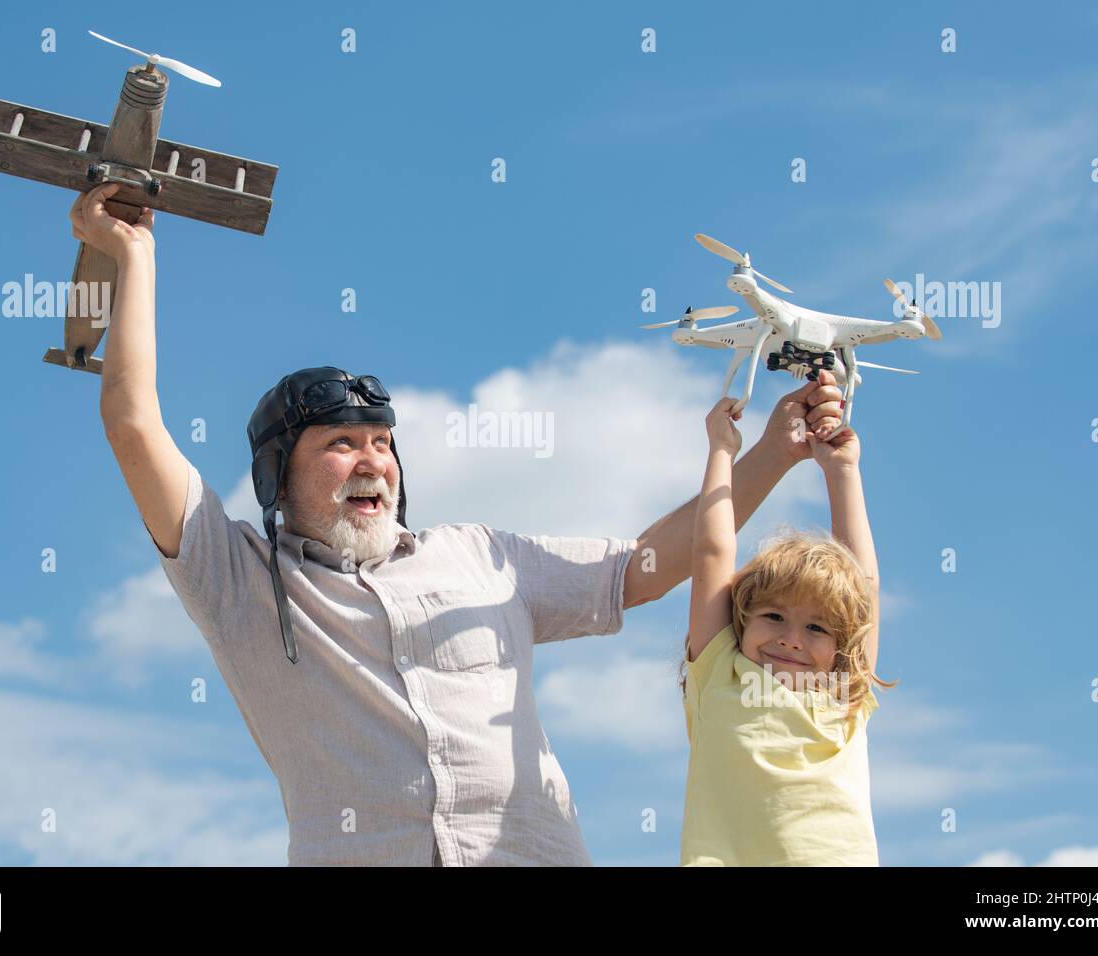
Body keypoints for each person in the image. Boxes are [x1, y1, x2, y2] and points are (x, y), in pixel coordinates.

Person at [70, 182, 847, 866]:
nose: (373, 460)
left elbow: (640, 569)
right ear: (275, 476)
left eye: (382, 443)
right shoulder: (239, 580)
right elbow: (133, 423)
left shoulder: (481, 556)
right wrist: (133, 254)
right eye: (341, 443)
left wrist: (775, 455)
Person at [679, 396, 890, 866]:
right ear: (741, 621)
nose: (792, 638)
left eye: (816, 626)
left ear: (841, 643)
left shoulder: (843, 691)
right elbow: (711, 552)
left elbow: (864, 587)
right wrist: (721, 452)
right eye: (774, 616)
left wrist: (841, 470)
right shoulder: (718, 675)